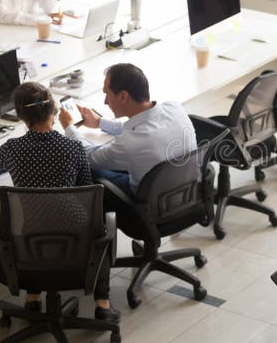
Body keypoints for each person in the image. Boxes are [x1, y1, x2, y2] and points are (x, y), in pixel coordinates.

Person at [0, 82, 119, 323]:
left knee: (36, 219)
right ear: (54, 110)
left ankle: (32, 298)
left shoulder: (13, 149)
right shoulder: (73, 148)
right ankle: (102, 303)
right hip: (76, 240)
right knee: (100, 227)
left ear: (21, 117)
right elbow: (86, 190)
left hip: (29, 240)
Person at [58, 63, 197, 235]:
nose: (105, 101)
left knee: (85, 169)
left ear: (123, 96)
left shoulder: (130, 144)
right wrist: (100, 123)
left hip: (148, 210)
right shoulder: (174, 108)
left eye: (107, 94)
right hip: (186, 194)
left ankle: (94, 241)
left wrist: (69, 127)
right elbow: (139, 126)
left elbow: (88, 156)